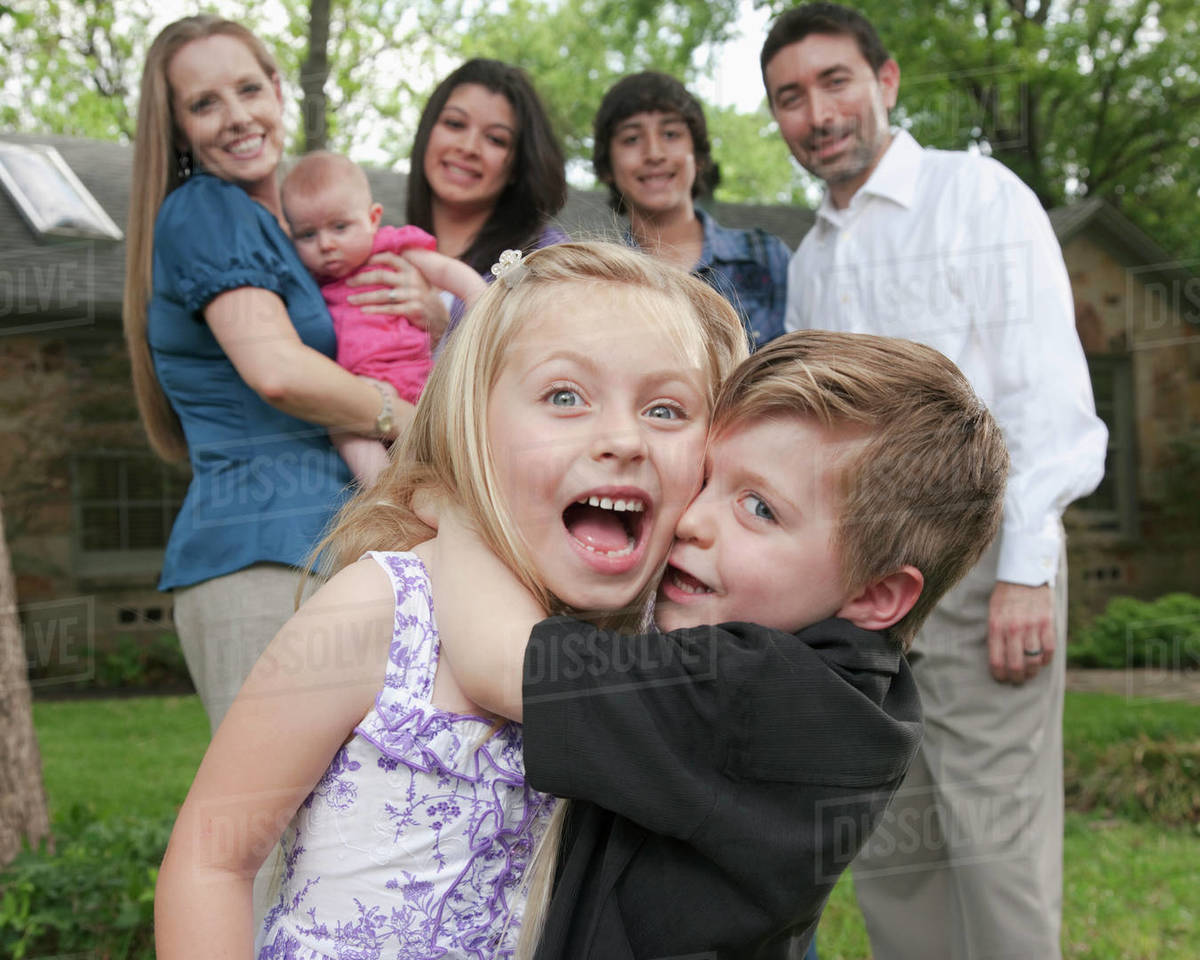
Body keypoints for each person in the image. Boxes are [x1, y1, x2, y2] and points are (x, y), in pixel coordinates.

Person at [153, 241, 750, 960]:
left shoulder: (666, 637)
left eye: (665, 408)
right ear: (474, 423)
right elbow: (211, 860)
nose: (622, 439)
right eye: (565, 397)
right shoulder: (384, 612)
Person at [424, 330, 1010, 959]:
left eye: (759, 508)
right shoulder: (866, 692)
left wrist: (455, 509)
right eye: (705, 480)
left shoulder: (758, 694)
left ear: (877, 594)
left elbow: (498, 661)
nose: (693, 520)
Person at [760, 5, 1109, 958]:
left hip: (982, 562)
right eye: (790, 97)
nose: (818, 112)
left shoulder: (979, 199)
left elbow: (1047, 398)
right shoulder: (811, 263)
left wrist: (1026, 571)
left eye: (835, 81)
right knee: (894, 848)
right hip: (865, 588)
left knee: (994, 844)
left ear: (887, 81)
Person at [122, 15, 413, 734]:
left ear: (278, 88)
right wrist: (409, 417)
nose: (237, 117)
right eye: (204, 103)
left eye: (248, 88)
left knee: (339, 833)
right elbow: (277, 370)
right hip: (256, 563)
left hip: (321, 548)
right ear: (179, 129)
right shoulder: (205, 211)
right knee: (275, 838)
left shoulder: (277, 230)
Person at [344, 58, 570, 348]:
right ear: (427, 132)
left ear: (517, 165)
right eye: (454, 124)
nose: (468, 148)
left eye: (496, 139)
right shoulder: (381, 250)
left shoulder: (545, 259)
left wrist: (445, 328)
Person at [593, 70, 791, 348]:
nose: (654, 154)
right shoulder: (598, 281)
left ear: (697, 155)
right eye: (631, 139)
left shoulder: (765, 256)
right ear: (607, 167)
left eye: (671, 134)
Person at [281, 150, 438, 484]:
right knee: (343, 423)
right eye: (307, 235)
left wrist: (465, 302)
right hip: (363, 386)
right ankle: (383, 493)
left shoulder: (392, 249)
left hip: (415, 374)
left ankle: (415, 492)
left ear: (374, 218)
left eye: (340, 227)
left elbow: (455, 278)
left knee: (430, 453)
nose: (325, 244)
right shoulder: (309, 282)